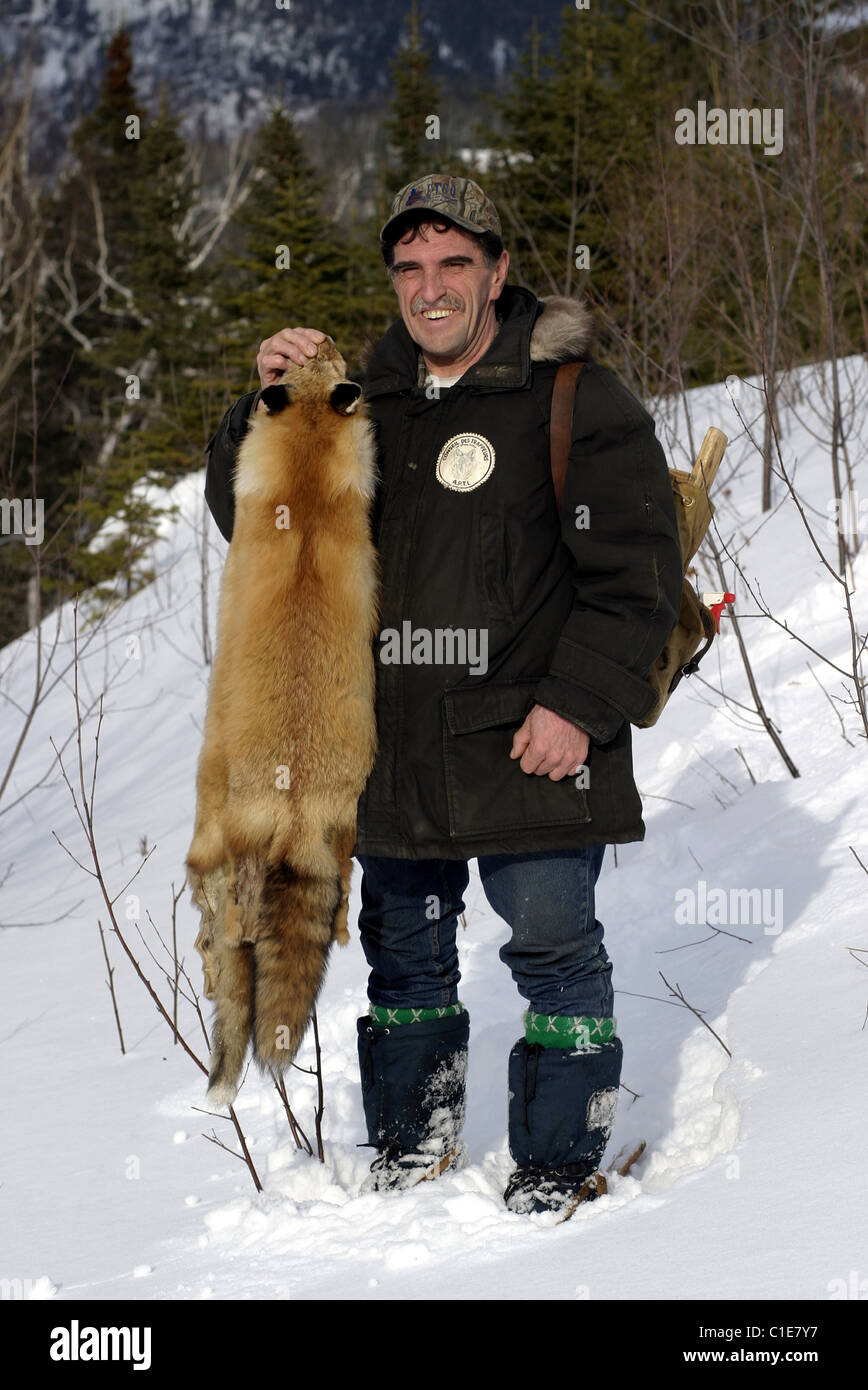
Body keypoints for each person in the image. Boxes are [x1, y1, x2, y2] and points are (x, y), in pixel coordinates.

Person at [202, 173, 683, 1219]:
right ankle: (411, 1145)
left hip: (531, 739)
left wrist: (577, 707)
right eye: (410, 268)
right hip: (399, 746)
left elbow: (635, 574)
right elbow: (260, 520)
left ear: (498, 272)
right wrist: (267, 407)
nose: (431, 288)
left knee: (553, 948)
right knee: (405, 955)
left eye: (454, 263)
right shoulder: (362, 403)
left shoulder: (572, 397)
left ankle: (557, 1161)